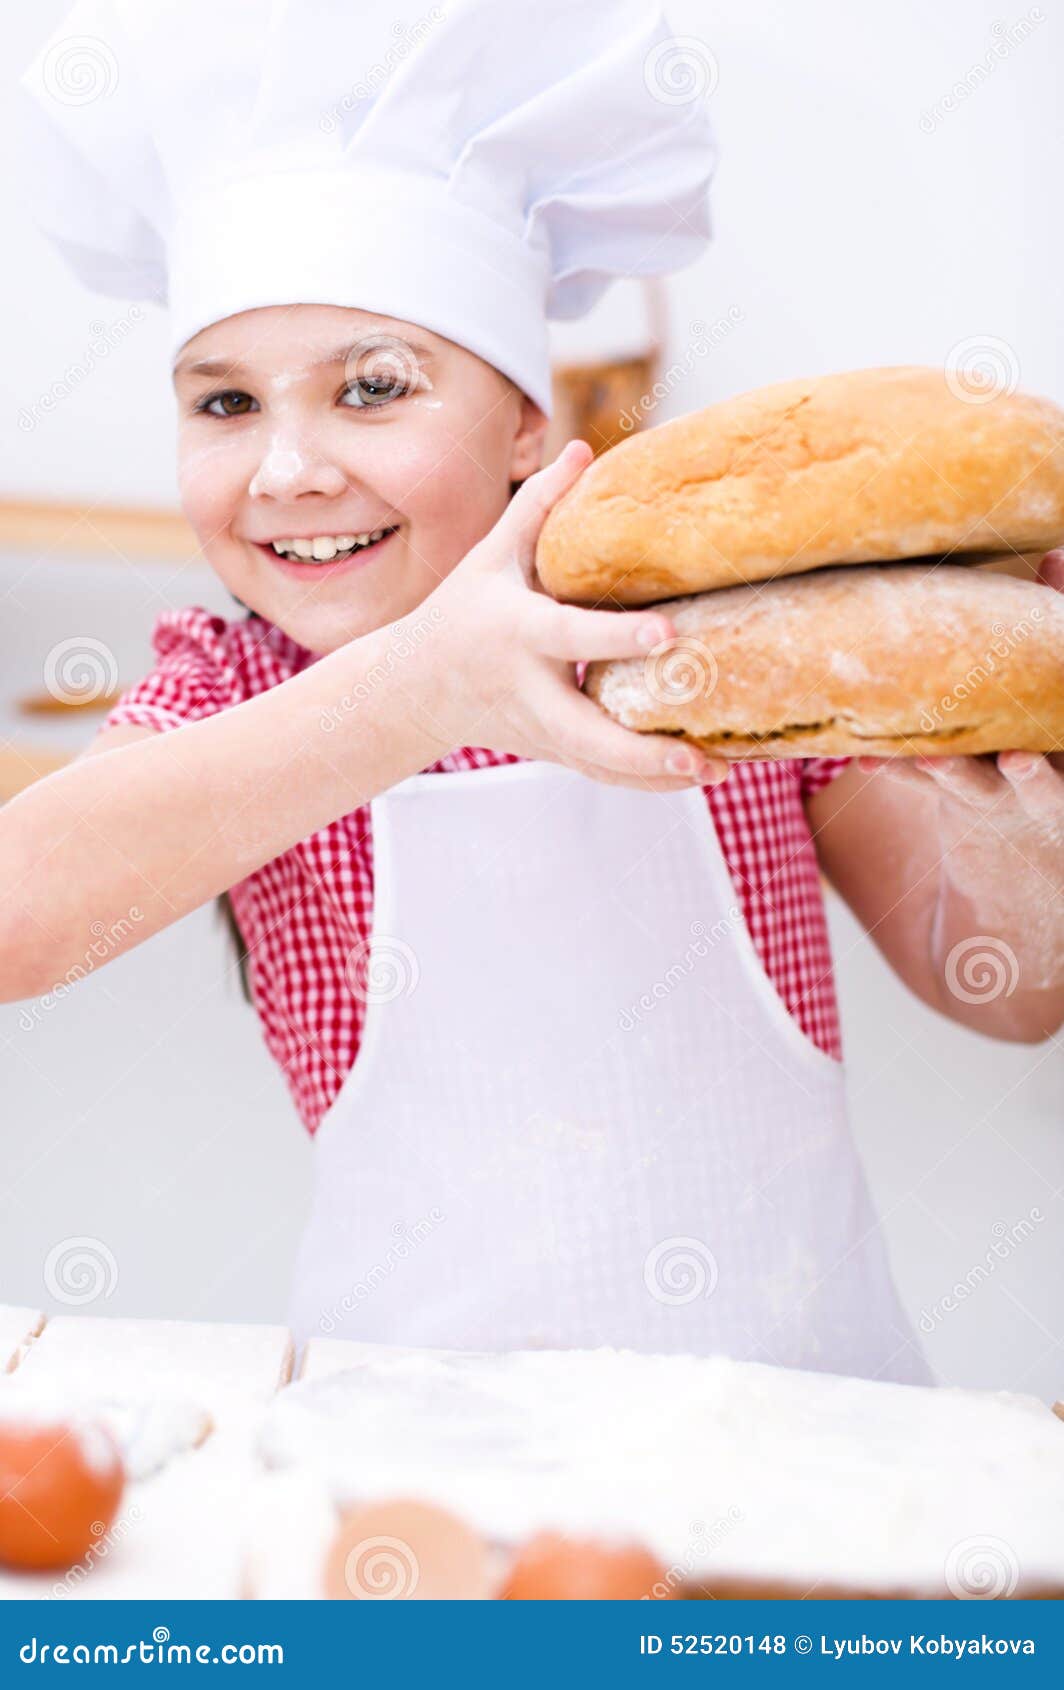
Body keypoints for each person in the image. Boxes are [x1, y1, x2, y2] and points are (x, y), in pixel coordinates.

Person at [9, 0, 1062, 1381]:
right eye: (223, 403)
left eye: (372, 388)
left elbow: (1005, 993)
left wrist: (1012, 829)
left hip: (805, 1434)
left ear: (525, 421)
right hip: (424, 1473)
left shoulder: (720, 647)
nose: (286, 469)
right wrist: (416, 693)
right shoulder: (238, 683)